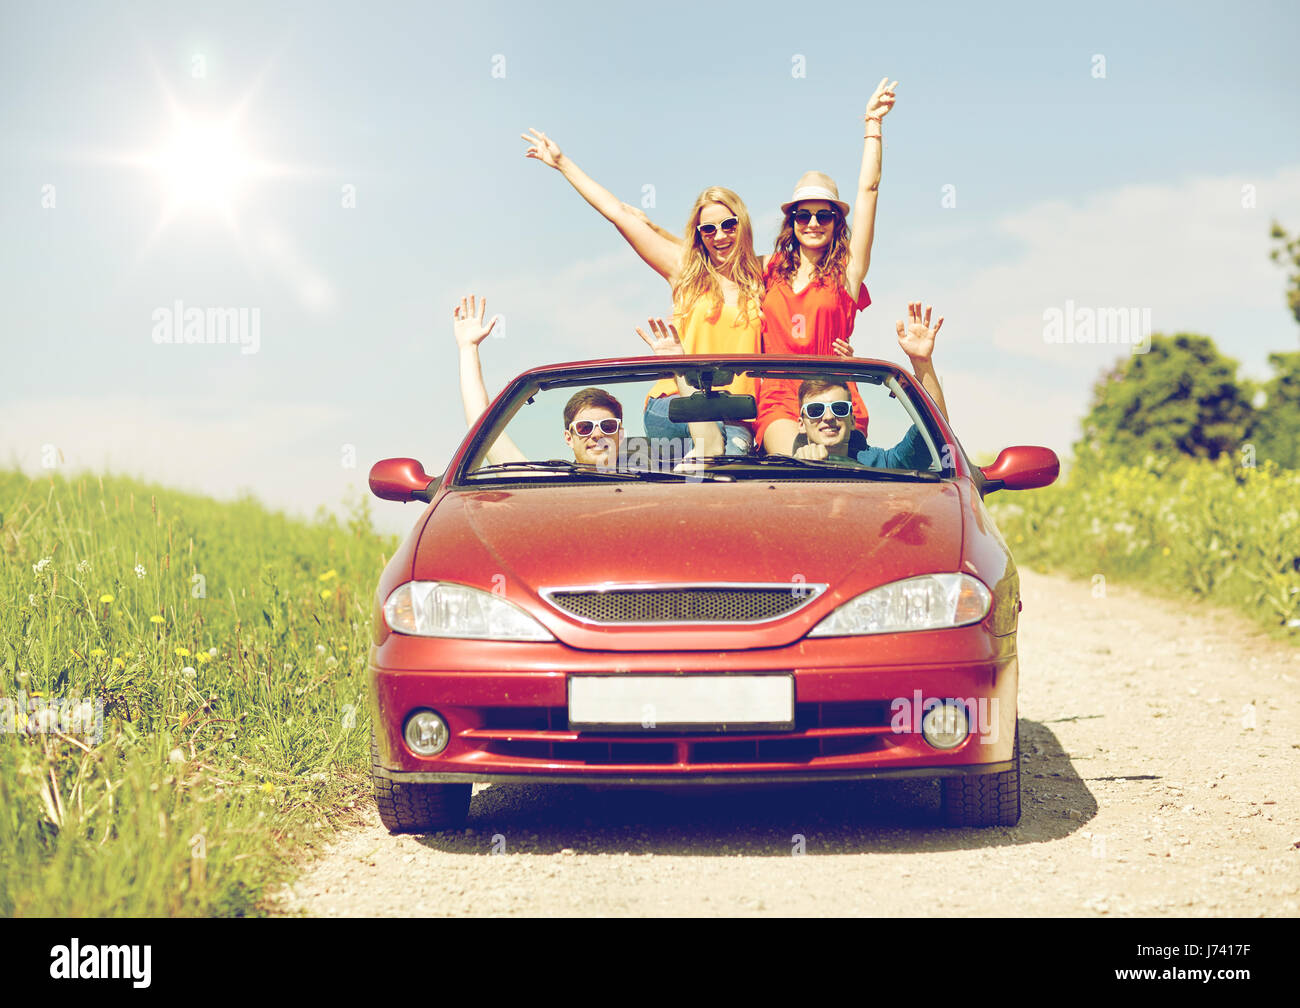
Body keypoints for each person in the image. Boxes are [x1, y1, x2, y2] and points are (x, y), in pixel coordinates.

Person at [520, 129, 761, 455]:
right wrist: (563, 163)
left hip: (736, 414)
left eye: (728, 225)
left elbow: (828, 255)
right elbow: (618, 214)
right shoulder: (686, 272)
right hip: (675, 405)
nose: (719, 236)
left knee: (736, 458)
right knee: (724, 451)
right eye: (708, 229)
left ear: (742, 224)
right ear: (699, 234)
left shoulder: (762, 276)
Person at [756, 77, 898, 456]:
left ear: (837, 221)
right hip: (779, 399)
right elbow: (705, 256)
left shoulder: (847, 273)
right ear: (793, 221)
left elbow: (869, 192)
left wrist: (873, 127)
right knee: (802, 461)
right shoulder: (768, 270)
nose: (814, 223)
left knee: (835, 479)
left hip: (835, 403)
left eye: (824, 215)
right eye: (804, 215)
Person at [452, 294, 624, 467]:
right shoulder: (548, 483)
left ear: (621, 435)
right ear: (569, 438)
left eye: (608, 426)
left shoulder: (649, 482)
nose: (596, 434)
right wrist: (468, 348)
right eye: (584, 427)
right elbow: (481, 425)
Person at [792, 301, 949, 469]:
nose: (829, 417)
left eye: (839, 408)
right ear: (802, 424)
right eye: (815, 410)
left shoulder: (881, 465)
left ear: (852, 420)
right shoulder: (778, 472)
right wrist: (796, 465)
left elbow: (935, 431)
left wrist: (922, 362)